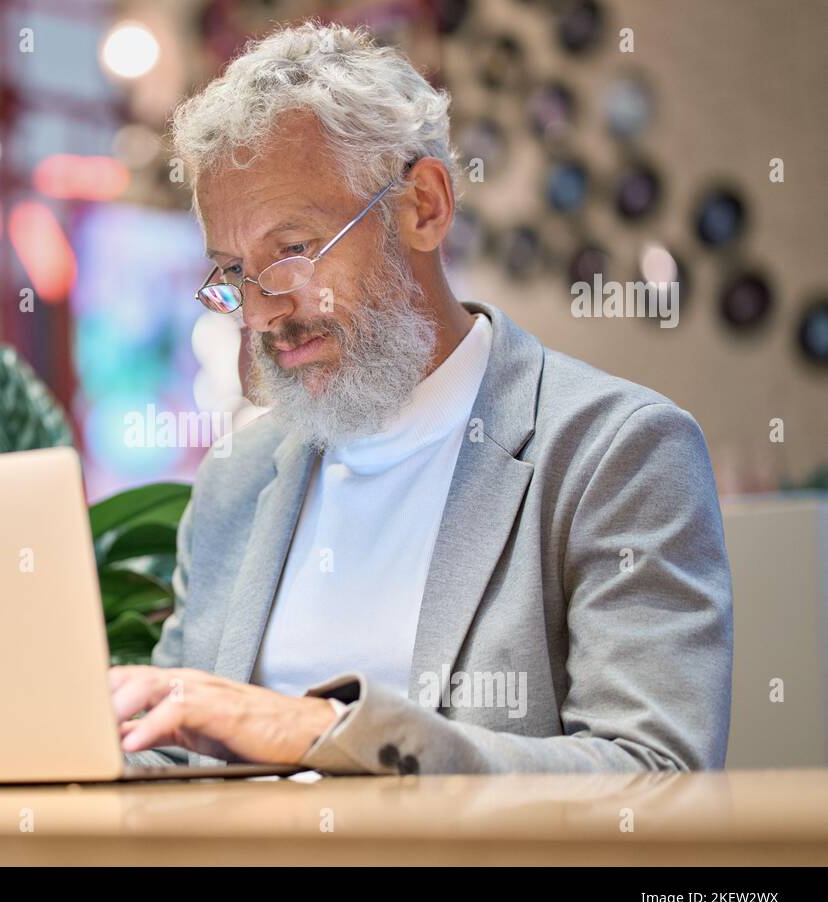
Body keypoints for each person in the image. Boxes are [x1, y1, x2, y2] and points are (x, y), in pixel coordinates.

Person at [108, 20, 732, 775]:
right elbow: (177, 759)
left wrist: (322, 733)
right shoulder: (237, 477)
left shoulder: (616, 453)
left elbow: (657, 777)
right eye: (235, 273)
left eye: (294, 252)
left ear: (424, 207)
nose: (263, 313)